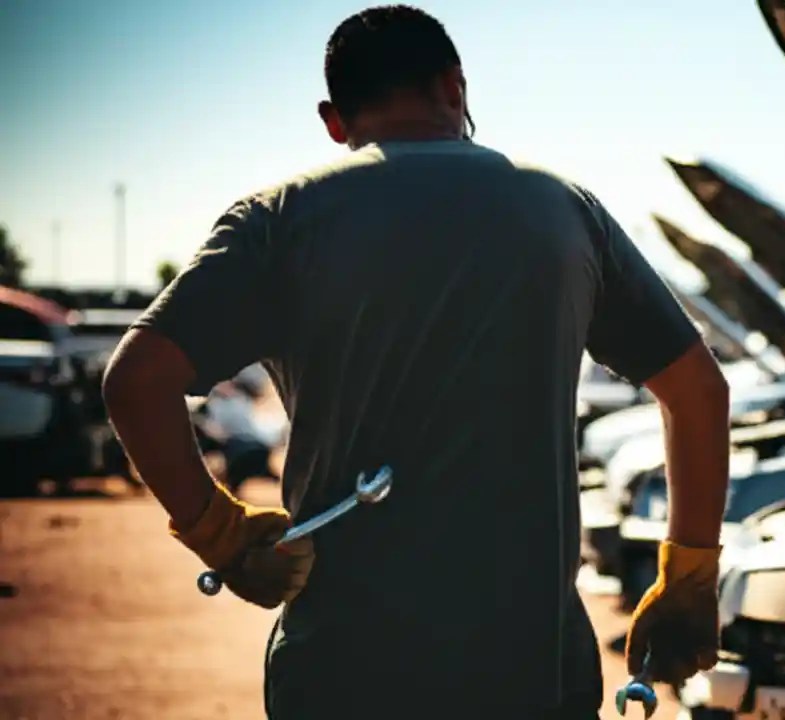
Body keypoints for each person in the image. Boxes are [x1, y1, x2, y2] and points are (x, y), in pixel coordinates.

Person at [101, 5, 730, 718]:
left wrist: (221, 533)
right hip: (531, 673)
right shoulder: (562, 211)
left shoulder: (280, 220)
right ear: (456, 88)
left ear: (334, 120)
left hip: (343, 672)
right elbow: (699, 392)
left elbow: (137, 381)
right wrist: (688, 580)